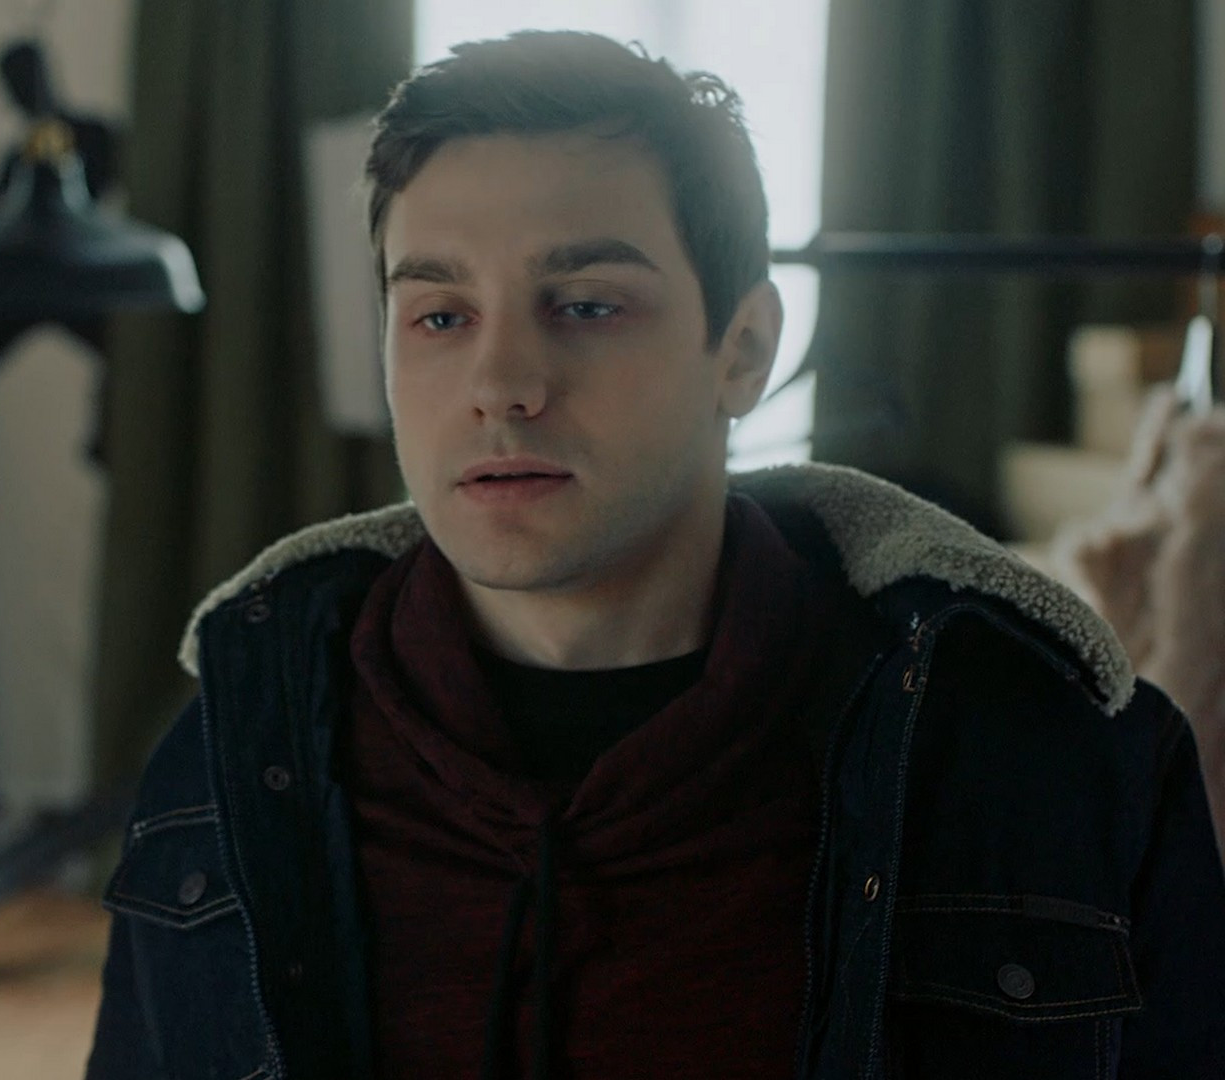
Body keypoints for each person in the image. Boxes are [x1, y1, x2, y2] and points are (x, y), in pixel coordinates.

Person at [83, 30, 1225, 1080]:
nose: (501, 386)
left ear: (744, 350)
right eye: (441, 316)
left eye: (585, 306)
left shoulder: (1051, 759)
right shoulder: (233, 748)